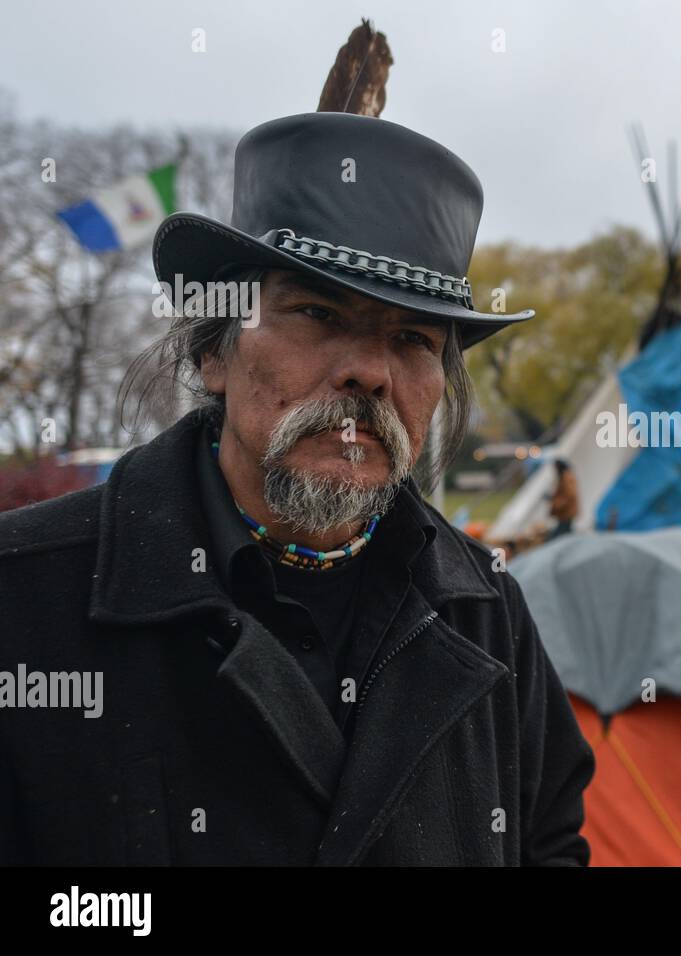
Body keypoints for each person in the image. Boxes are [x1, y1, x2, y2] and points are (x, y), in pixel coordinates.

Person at [0, 112, 593, 866]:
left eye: (413, 338)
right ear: (216, 354)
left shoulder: (485, 612)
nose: (370, 373)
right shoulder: (26, 598)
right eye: (317, 313)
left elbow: (549, 846)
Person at [547, 458, 578, 540]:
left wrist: (558, 504)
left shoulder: (566, 477)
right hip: (565, 512)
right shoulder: (564, 477)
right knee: (566, 532)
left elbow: (570, 495)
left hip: (566, 512)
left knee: (559, 534)